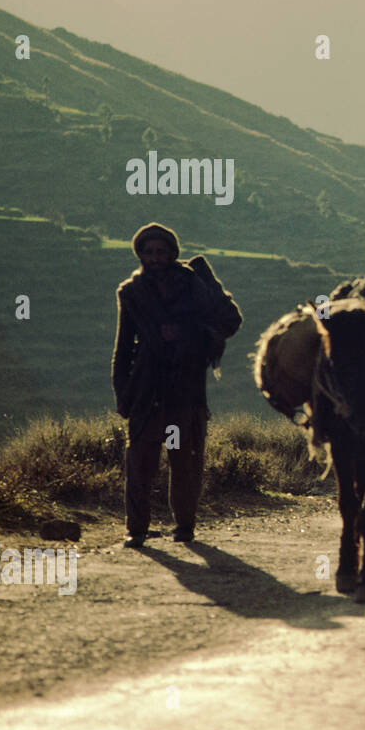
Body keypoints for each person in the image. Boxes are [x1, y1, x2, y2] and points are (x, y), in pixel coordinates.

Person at [112, 223, 241, 548]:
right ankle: (136, 529)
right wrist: (122, 393)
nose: (155, 258)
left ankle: (185, 526)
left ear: (172, 254)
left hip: (186, 388)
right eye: (149, 252)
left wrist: (186, 334)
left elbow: (227, 321)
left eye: (161, 252)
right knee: (140, 460)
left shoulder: (193, 286)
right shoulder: (131, 293)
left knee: (185, 458)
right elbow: (123, 346)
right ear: (140, 254)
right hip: (146, 389)